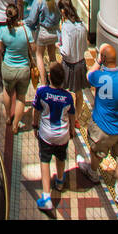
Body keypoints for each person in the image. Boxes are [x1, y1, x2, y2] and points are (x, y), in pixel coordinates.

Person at [78, 44, 118, 206]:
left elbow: (89, 75)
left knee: (97, 152)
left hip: (102, 126)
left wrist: (97, 60)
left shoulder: (101, 77)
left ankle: (93, 172)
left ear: (104, 59)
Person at [32, 61, 76, 210]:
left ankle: (46, 196)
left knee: (45, 161)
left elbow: (36, 111)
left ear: (50, 77)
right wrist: (72, 131)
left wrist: (34, 125)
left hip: (46, 134)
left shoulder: (42, 92)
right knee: (61, 157)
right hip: (62, 134)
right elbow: (71, 115)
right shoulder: (68, 97)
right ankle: (59, 181)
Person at [0, 3, 33, 134]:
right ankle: (16, 125)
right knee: (21, 97)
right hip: (23, 69)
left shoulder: (3, 31)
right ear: (18, 17)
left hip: (8, 67)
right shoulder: (26, 30)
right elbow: (33, 48)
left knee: (7, 91)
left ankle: (7, 118)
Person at [26, 0, 61, 85]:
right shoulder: (57, 0)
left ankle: (43, 82)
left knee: (39, 55)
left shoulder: (39, 0)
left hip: (43, 33)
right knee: (52, 56)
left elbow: (32, 19)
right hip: (55, 33)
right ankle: (55, 80)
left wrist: (23, 22)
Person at [58, 0, 89, 122]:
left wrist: (58, 47)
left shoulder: (66, 27)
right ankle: (76, 118)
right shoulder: (81, 25)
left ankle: (64, 115)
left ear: (63, 11)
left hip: (69, 64)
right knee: (79, 92)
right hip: (81, 63)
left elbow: (65, 51)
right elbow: (85, 47)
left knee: (63, 90)